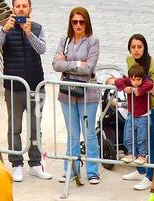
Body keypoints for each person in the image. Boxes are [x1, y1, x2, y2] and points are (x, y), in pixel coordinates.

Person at [0, 0, 51, 182]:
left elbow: (42, 49)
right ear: (13, 8)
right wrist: (4, 30)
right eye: (18, 6)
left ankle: (34, 163)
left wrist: (29, 33)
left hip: (35, 86)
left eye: (24, 6)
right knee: (14, 127)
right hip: (14, 87)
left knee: (35, 128)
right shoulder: (5, 28)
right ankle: (16, 163)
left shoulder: (38, 28)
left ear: (30, 9)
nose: (21, 9)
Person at [53, 7, 102, 185]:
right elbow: (55, 64)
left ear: (87, 22)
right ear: (70, 23)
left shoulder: (93, 41)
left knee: (89, 133)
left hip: (87, 93)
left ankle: (92, 171)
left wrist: (67, 63)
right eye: (75, 22)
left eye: (82, 21)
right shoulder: (64, 40)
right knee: (72, 134)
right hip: (67, 93)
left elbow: (89, 68)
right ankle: (71, 170)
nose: (78, 25)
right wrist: (76, 64)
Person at [114, 65, 154, 174]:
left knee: (142, 138)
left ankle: (142, 156)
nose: (136, 82)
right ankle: (131, 154)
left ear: (142, 78)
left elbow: (150, 83)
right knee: (129, 136)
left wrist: (138, 90)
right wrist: (125, 88)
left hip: (143, 117)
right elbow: (118, 81)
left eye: (138, 79)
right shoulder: (129, 81)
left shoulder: (145, 83)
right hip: (131, 115)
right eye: (133, 79)